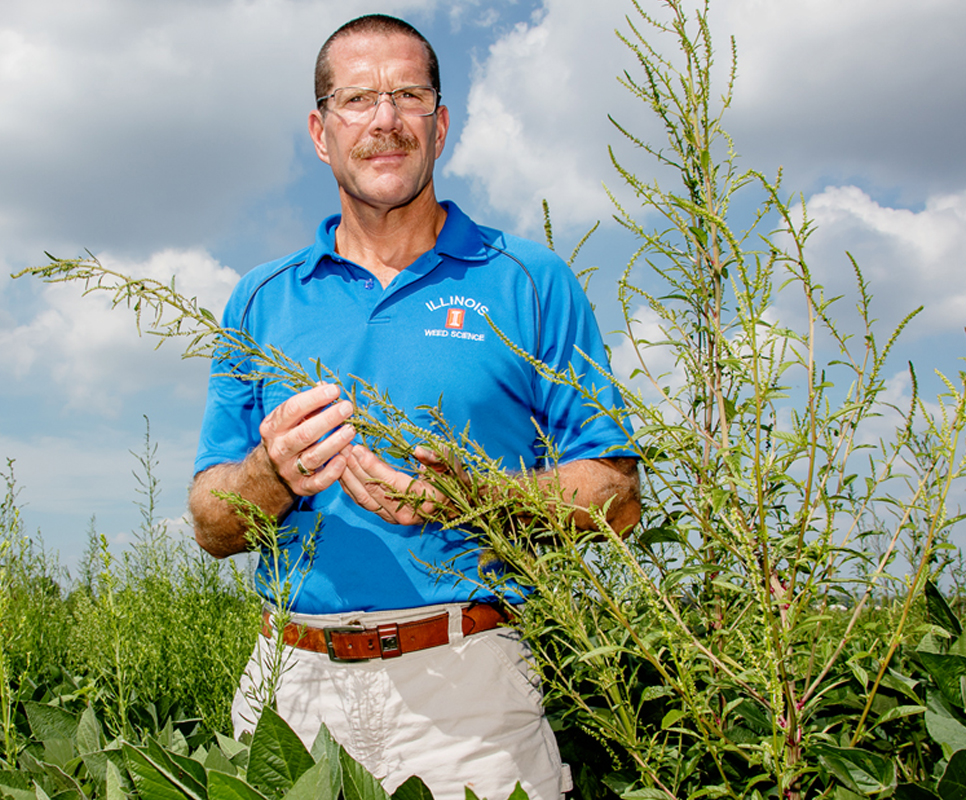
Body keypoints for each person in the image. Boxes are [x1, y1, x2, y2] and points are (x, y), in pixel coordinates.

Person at [189, 14, 640, 800]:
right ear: (320, 132)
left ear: (441, 124)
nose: (385, 120)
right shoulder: (260, 299)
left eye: (409, 94)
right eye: (357, 98)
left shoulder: (528, 281)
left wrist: (478, 500)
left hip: (472, 691)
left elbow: (619, 497)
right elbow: (211, 523)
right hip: (292, 694)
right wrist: (273, 474)